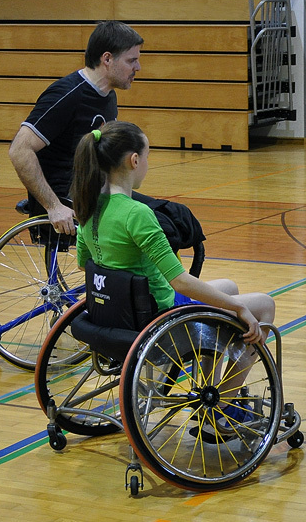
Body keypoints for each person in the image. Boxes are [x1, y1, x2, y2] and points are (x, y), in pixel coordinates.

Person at [72, 120, 275, 427]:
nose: (148, 164)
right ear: (134, 160)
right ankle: (222, 409)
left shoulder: (90, 207)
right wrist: (239, 309)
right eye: (148, 156)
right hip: (158, 319)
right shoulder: (137, 213)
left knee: (228, 286)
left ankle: (207, 385)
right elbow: (179, 279)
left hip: (117, 314)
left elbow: (83, 263)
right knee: (262, 306)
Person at [8, 20, 144, 236]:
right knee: (151, 225)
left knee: (172, 216)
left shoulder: (108, 95)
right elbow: (19, 150)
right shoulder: (66, 95)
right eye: (132, 60)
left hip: (94, 191)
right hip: (69, 198)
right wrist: (53, 206)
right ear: (107, 59)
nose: (138, 67)